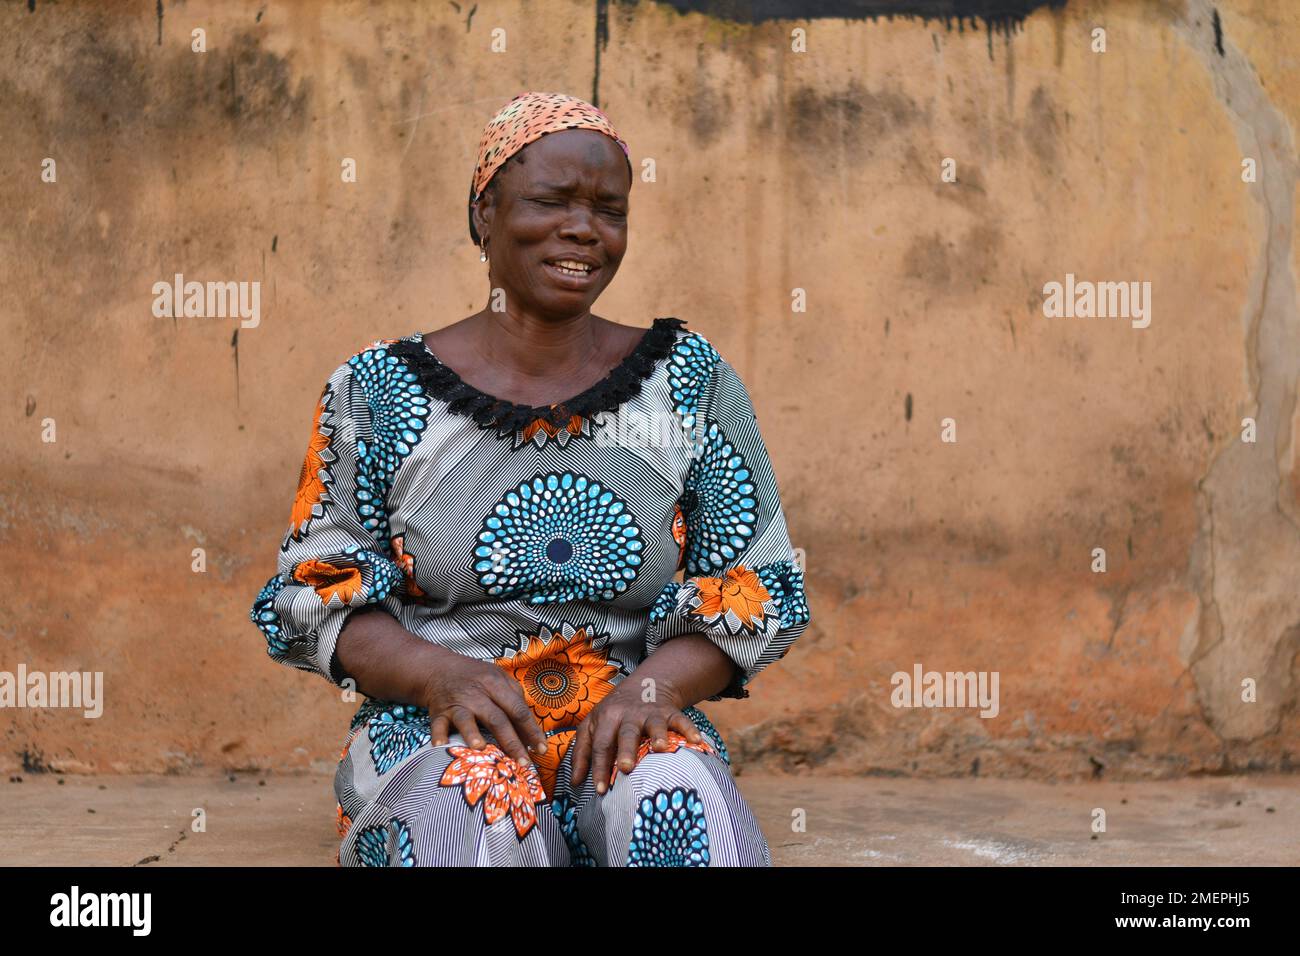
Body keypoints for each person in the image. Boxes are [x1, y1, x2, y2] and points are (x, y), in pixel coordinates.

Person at [249, 91, 811, 866]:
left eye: (608, 211)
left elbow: (758, 587)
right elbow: (315, 593)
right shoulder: (376, 392)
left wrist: (655, 691)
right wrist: (438, 677)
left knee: (682, 813)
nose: (583, 229)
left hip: (628, 717)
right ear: (484, 213)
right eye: (551, 201)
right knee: (468, 822)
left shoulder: (688, 380)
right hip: (441, 727)